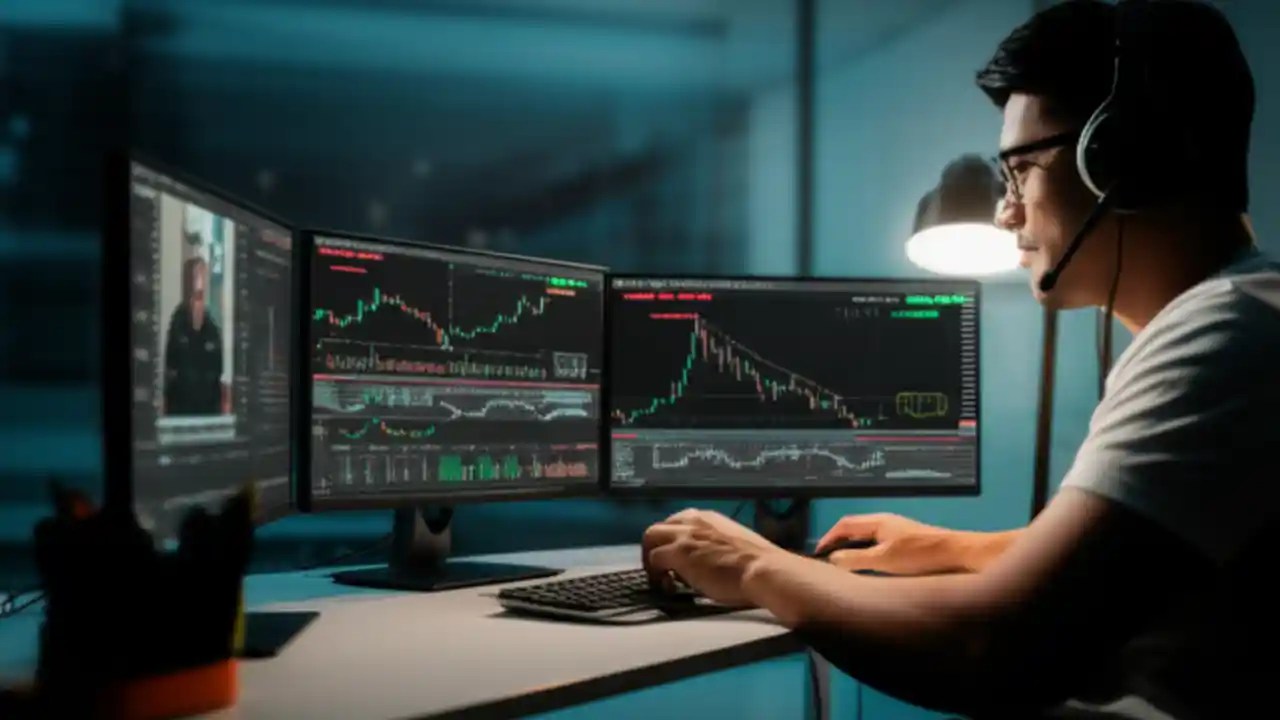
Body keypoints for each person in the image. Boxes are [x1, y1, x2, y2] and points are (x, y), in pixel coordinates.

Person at [641, 1, 1280, 717]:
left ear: (1122, 160)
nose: (1008, 214)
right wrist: (956, 548)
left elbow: (992, 646)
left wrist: (752, 564)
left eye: (1021, 172)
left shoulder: (1222, 335)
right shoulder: (1251, 312)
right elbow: (1145, 560)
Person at [163, 255, 226, 416]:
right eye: (198, 274)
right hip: (182, 410)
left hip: (209, 411)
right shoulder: (178, 321)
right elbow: (172, 367)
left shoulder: (212, 326)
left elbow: (218, 370)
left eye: (204, 274)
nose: (202, 279)